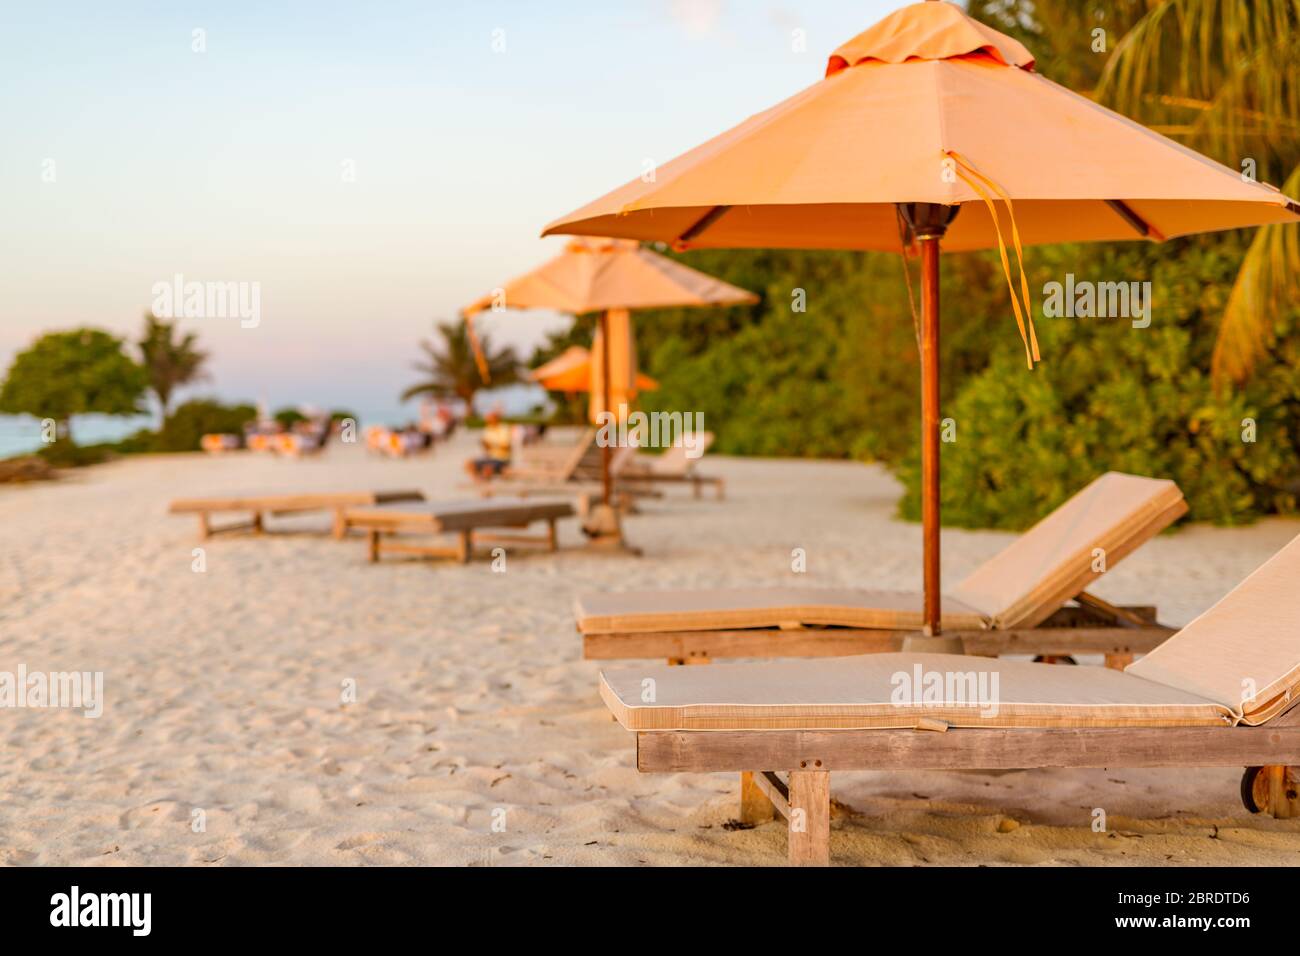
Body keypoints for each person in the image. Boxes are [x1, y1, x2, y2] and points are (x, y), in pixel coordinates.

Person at [465, 410, 512, 480]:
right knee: (469, 463)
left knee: (487, 467)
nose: (488, 421)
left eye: (490, 419)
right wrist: (485, 445)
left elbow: (506, 446)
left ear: (496, 419)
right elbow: (487, 448)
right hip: (490, 457)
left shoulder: (504, 428)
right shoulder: (487, 429)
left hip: (502, 458)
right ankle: (477, 481)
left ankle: (485, 482)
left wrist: (492, 444)